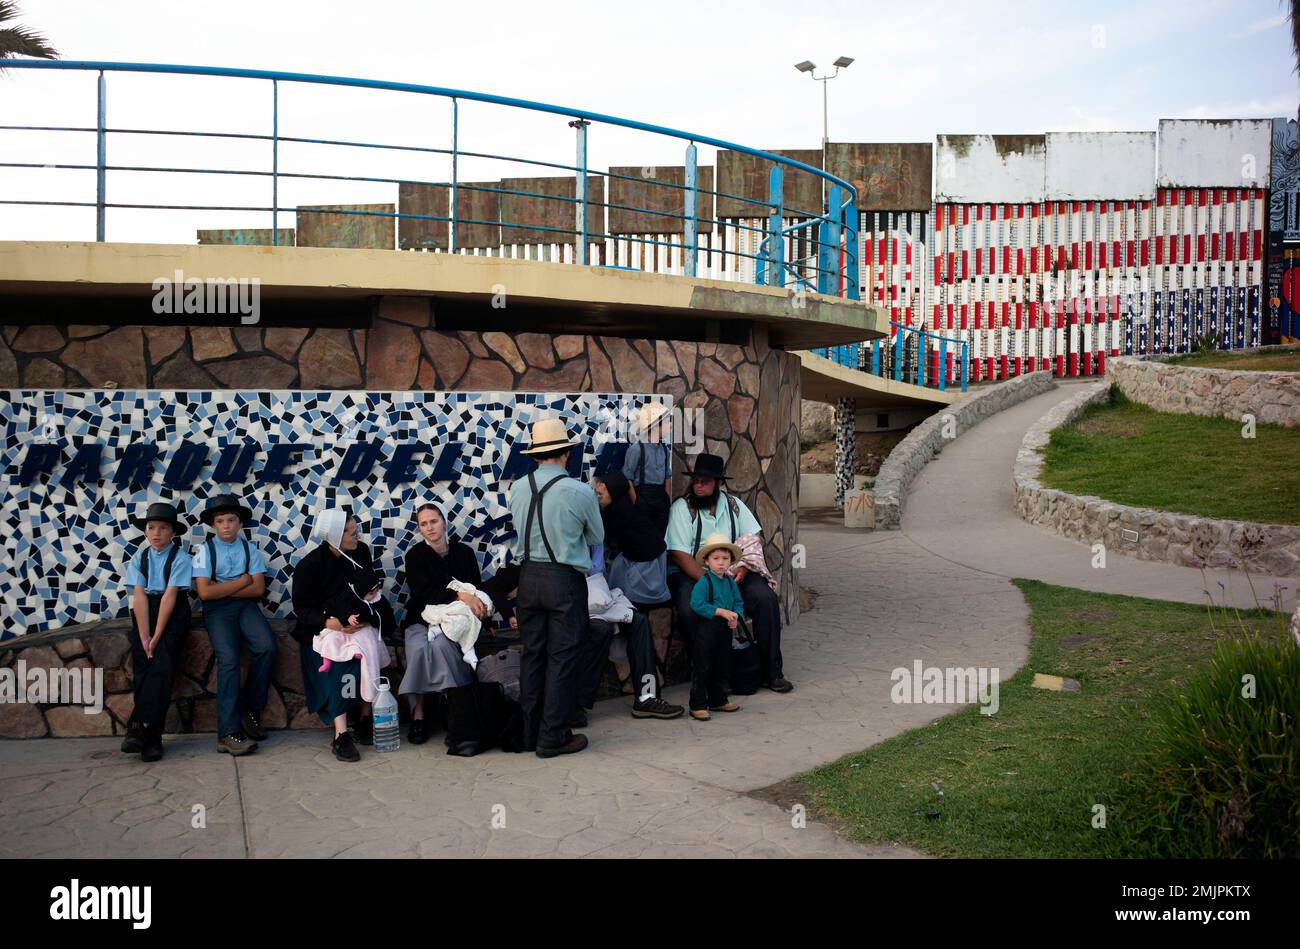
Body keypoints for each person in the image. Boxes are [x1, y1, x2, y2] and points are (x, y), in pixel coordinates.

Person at [506, 417, 603, 757]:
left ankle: (528, 734)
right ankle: (553, 737)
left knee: (532, 657)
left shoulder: (516, 488)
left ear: (536, 455)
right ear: (566, 454)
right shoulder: (580, 491)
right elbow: (596, 538)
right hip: (564, 580)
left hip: (528, 579)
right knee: (562, 659)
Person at [665, 453, 793, 693]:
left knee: (765, 598)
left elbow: (753, 538)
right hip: (696, 573)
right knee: (690, 607)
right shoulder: (683, 508)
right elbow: (679, 554)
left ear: (719, 484)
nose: (699, 485)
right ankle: (708, 677)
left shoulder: (733, 504)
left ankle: (771, 672)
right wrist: (710, 582)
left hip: (732, 571)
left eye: (705, 481)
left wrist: (743, 567)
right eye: (696, 481)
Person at [192, 493, 278, 756]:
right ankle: (227, 733)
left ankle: (250, 710)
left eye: (231, 520)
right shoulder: (205, 551)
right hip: (217, 611)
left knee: (267, 648)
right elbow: (205, 594)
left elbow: (258, 590)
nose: (226, 525)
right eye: (221, 521)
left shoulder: (249, 550)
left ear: (239, 523)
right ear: (213, 525)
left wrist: (223, 588)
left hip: (245, 607)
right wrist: (241, 582)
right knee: (228, 661)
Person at [398, 501, 485, 745]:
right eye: (423, 524)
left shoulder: (464, 553)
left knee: (441, 647)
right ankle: (419, 713)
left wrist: (468, 601)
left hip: (457, 620)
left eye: (433, 521)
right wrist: (459, 594)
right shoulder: (415, 555)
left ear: (444, 522)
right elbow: (423, 592)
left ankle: (456, 706)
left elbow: (475, 589)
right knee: (417, 651)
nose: (429, 528)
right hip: (422, 617)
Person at [289, 509, 369, 763]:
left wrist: (359, 617)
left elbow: (368, 589)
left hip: (355, 625)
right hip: (323, 630)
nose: (356, 534)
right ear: (334, 536)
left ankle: (364, 718)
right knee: (339, 667)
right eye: (348, 531)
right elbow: (302, 609)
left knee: (370, 655)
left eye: (355, 529)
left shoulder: (362, 553)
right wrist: (330, 622)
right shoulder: (310, 566)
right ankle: (341, 734)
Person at [121, 501, 193, 762]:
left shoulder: (181, 559)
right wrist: (144, 636)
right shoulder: (138, 558)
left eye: (163, 528)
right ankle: (144, 734)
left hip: (172, 613)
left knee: (161, 669)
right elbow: (138, 597)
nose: (156, 533)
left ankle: (147, 733)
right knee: (143, 670)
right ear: (145, 531)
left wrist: (157, 635)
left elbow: (170, 598)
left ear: (172, 532)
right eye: (151, 527)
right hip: (145, 611)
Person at [687, 533, 747, 720]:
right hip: (707, 629)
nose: (721, 563)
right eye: (716, 559)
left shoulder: (730, 582)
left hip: (724, 631)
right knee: (703, 665)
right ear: (707, 561)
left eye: (725, 559)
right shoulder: (704, 582)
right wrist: (720, 611)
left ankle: (718, 699)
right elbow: (697, 604)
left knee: (722, 665)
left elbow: (738, 602)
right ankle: (697, 703)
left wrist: (736, 615)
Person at [595, 470, 669, 609]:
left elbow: (603, 533)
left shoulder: (619, 512)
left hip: (646, 562)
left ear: (614, 493)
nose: (598, 498)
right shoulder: (623, 507)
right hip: (644, 555)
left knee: (630, 595)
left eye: (601, 494)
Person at [622, 403, 672, 533]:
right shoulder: (636, 449)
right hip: (643, 498)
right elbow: (627, 477)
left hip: (660, 500)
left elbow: (667, 475)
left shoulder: (665, 450)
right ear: (656, 426)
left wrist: (666, 498)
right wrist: (636, 502)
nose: (670, 425)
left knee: (660, 539)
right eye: (667, 421)